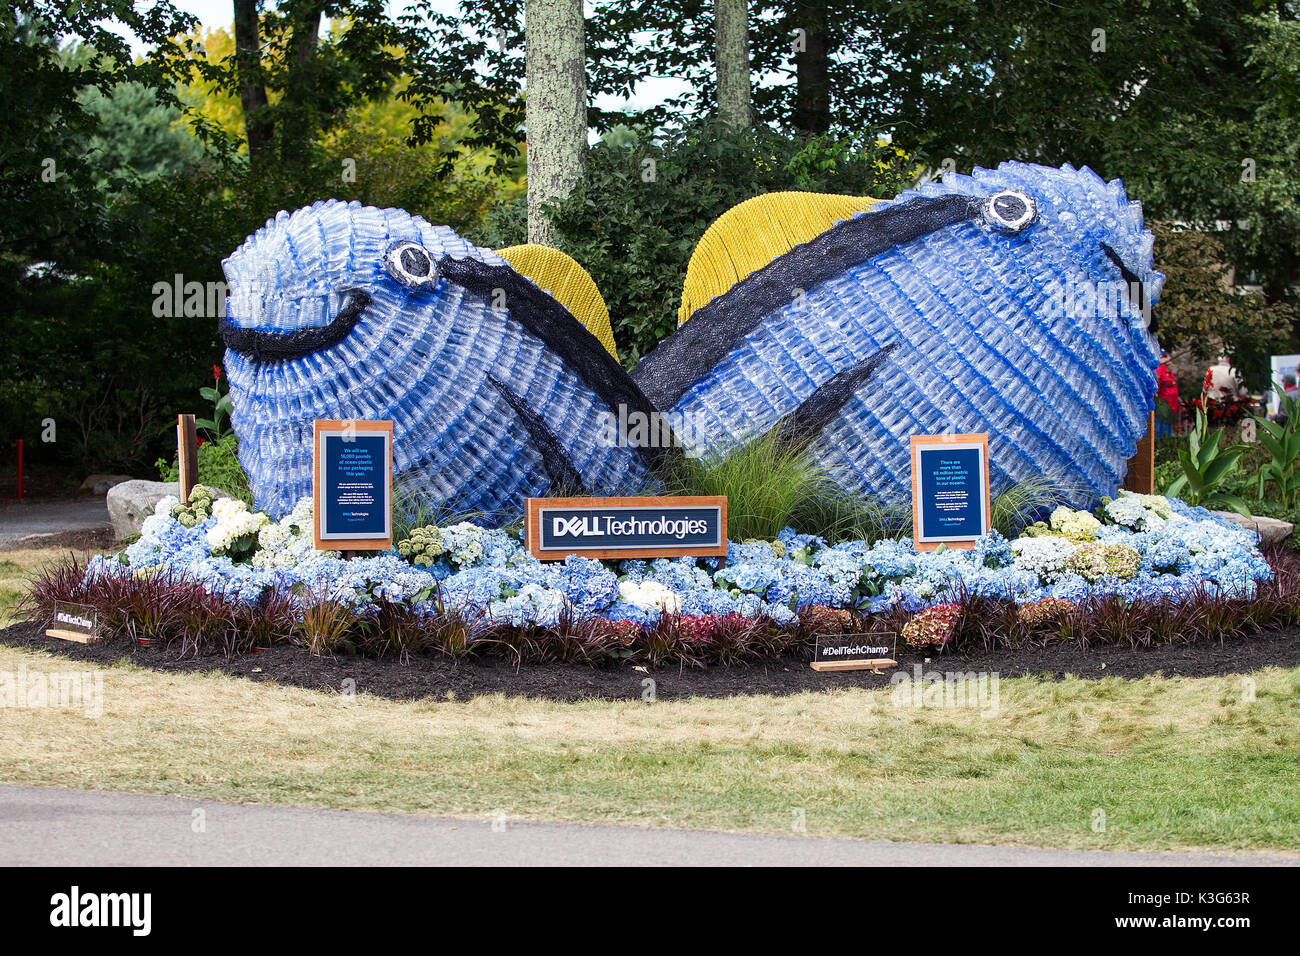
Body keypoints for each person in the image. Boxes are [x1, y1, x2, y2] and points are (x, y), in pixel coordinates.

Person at [1155, 350, 1181, 438]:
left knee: (1168, 433)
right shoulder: (1159, 371)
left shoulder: (1169, 372)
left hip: (1171, 407)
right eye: (1165, 356)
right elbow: (1156, 390)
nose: (1169, 358)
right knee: (1161, 432)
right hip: (1162, 409)